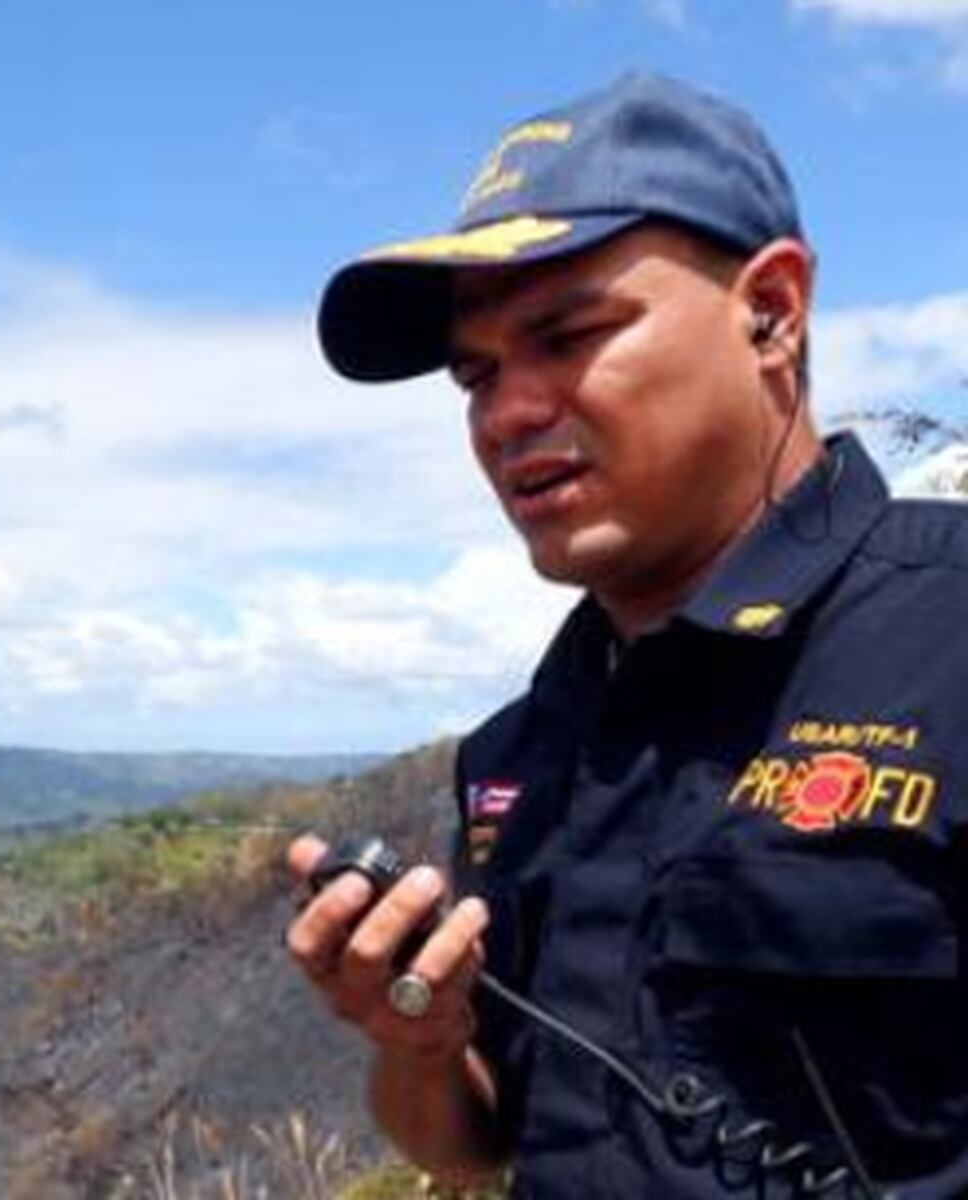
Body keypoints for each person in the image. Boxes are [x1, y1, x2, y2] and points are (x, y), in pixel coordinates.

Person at [285, 71, 968, 1199]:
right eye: (478, 374)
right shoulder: (516, 751)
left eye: (569, 334)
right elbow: (476, 1141)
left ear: (773, 311)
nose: (507, 414)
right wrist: (415, 1036)